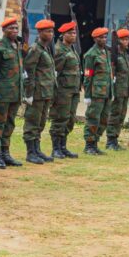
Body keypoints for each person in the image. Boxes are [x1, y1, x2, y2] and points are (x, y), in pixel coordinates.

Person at [0, 17, 25, 168]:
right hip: (3, 93)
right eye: (11, 28)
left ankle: (5, 153)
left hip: (15, 93)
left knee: (10, 123)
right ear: (4, 31)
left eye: (16, 28)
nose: (15, 31)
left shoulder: (17, 45)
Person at [22, 19, 57, 164]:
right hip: (36, 93)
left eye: (52, 31)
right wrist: (28, 93)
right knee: (32, 122)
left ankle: (37, 149)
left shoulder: (46, 48)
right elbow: (29, 72)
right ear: (40, 32)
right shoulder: (35, 49)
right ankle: (30, 152)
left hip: (46, 92)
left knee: (41, 122)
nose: (51, 34)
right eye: (48, 31)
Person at [49, 21, 82, 159]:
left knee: (70, 119)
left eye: (74, 33)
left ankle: (63, 146)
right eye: (70, 33)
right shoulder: (59, 50)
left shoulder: (72, 49)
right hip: (63, 90)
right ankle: (56, 148)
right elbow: (55, 72)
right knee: (60, 118)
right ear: (63, 35)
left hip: (73, 89)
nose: (73, 35)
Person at [82, 27, 112, 155]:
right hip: (96, 93)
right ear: (95, 39)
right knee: (93, 118)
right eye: (101, 37)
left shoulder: (106, 52)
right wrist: (87, 95)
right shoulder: (91, 55)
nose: (104, 39)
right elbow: (88, 76)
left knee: (104, 119)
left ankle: (95, 143)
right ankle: (89, 145)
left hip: (107, 92)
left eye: (105, 37)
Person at [105, 28, 129, 150]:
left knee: (121, 115)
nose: (126, 42)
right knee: (115, 114)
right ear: (118, 41)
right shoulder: (114, 55)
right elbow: (111, 73)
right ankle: (110, 140)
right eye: (123, 39)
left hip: (125, 90)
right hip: (117, 90)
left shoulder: (126, 54)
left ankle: (115, 138)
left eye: (127, 39)